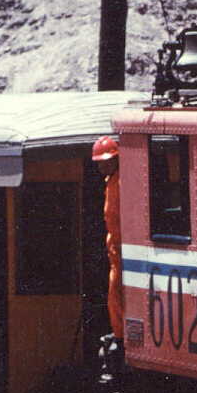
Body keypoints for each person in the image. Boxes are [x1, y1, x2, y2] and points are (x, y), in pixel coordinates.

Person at [92, 136, 123, 340]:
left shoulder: (121, 181)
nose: (102, 165)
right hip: (115, 252)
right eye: (99, 162)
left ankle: (121, 336)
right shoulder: (111, 181)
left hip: (122, 253)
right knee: (114, 296)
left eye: (106, 161)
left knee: (117, 295)